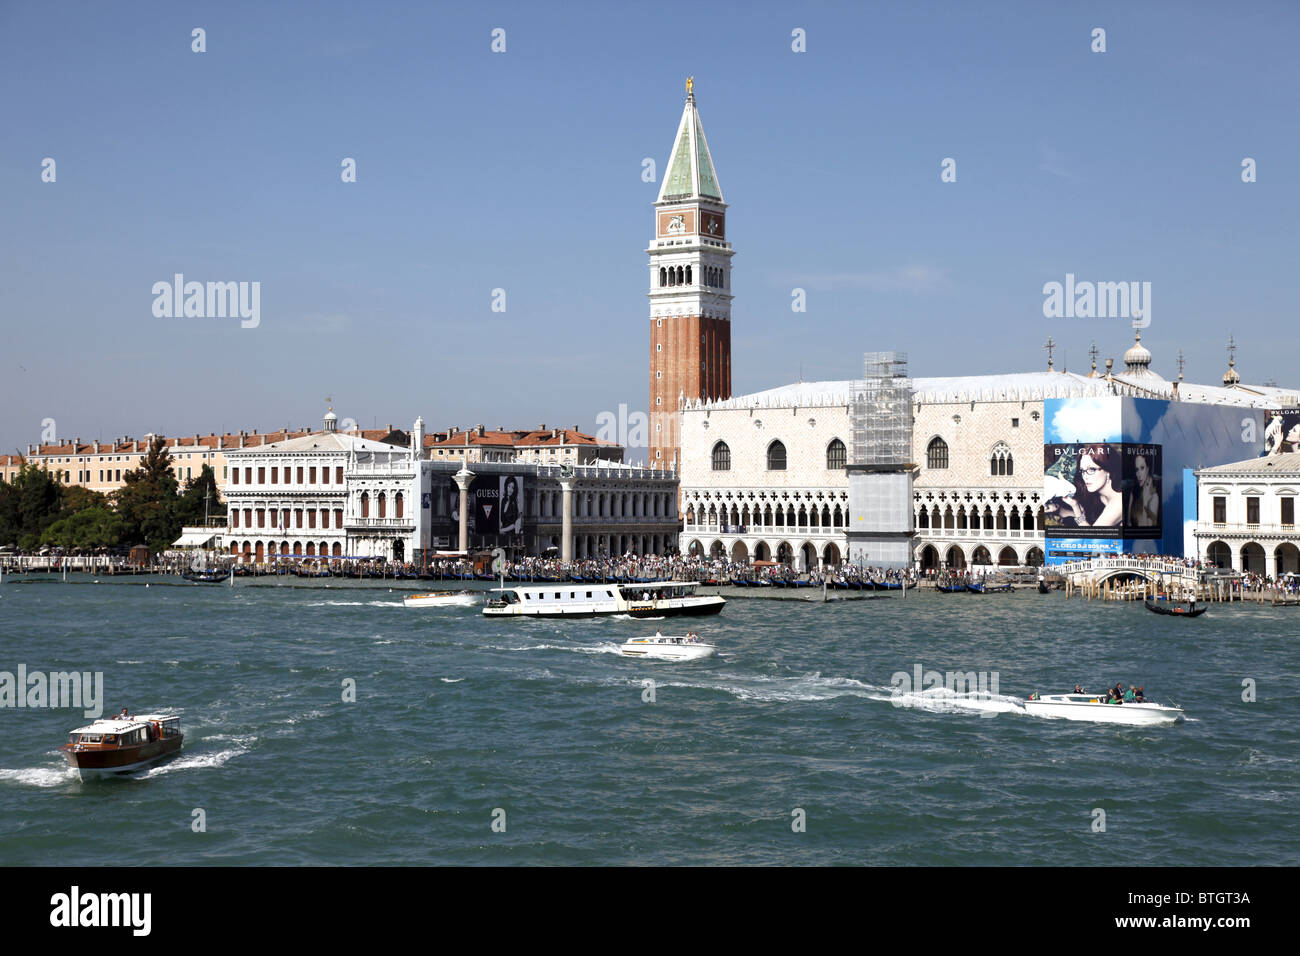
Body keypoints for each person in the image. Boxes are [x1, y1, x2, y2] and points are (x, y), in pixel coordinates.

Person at [1128, 454, 1159, 527]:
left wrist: (1145, 502)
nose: (1139, 474)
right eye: (1137, 469)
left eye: (1142, 468)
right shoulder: (1133, 493)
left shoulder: (1154, 497)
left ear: (1147, 469)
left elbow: (1149, 532)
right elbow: (1128, 524)